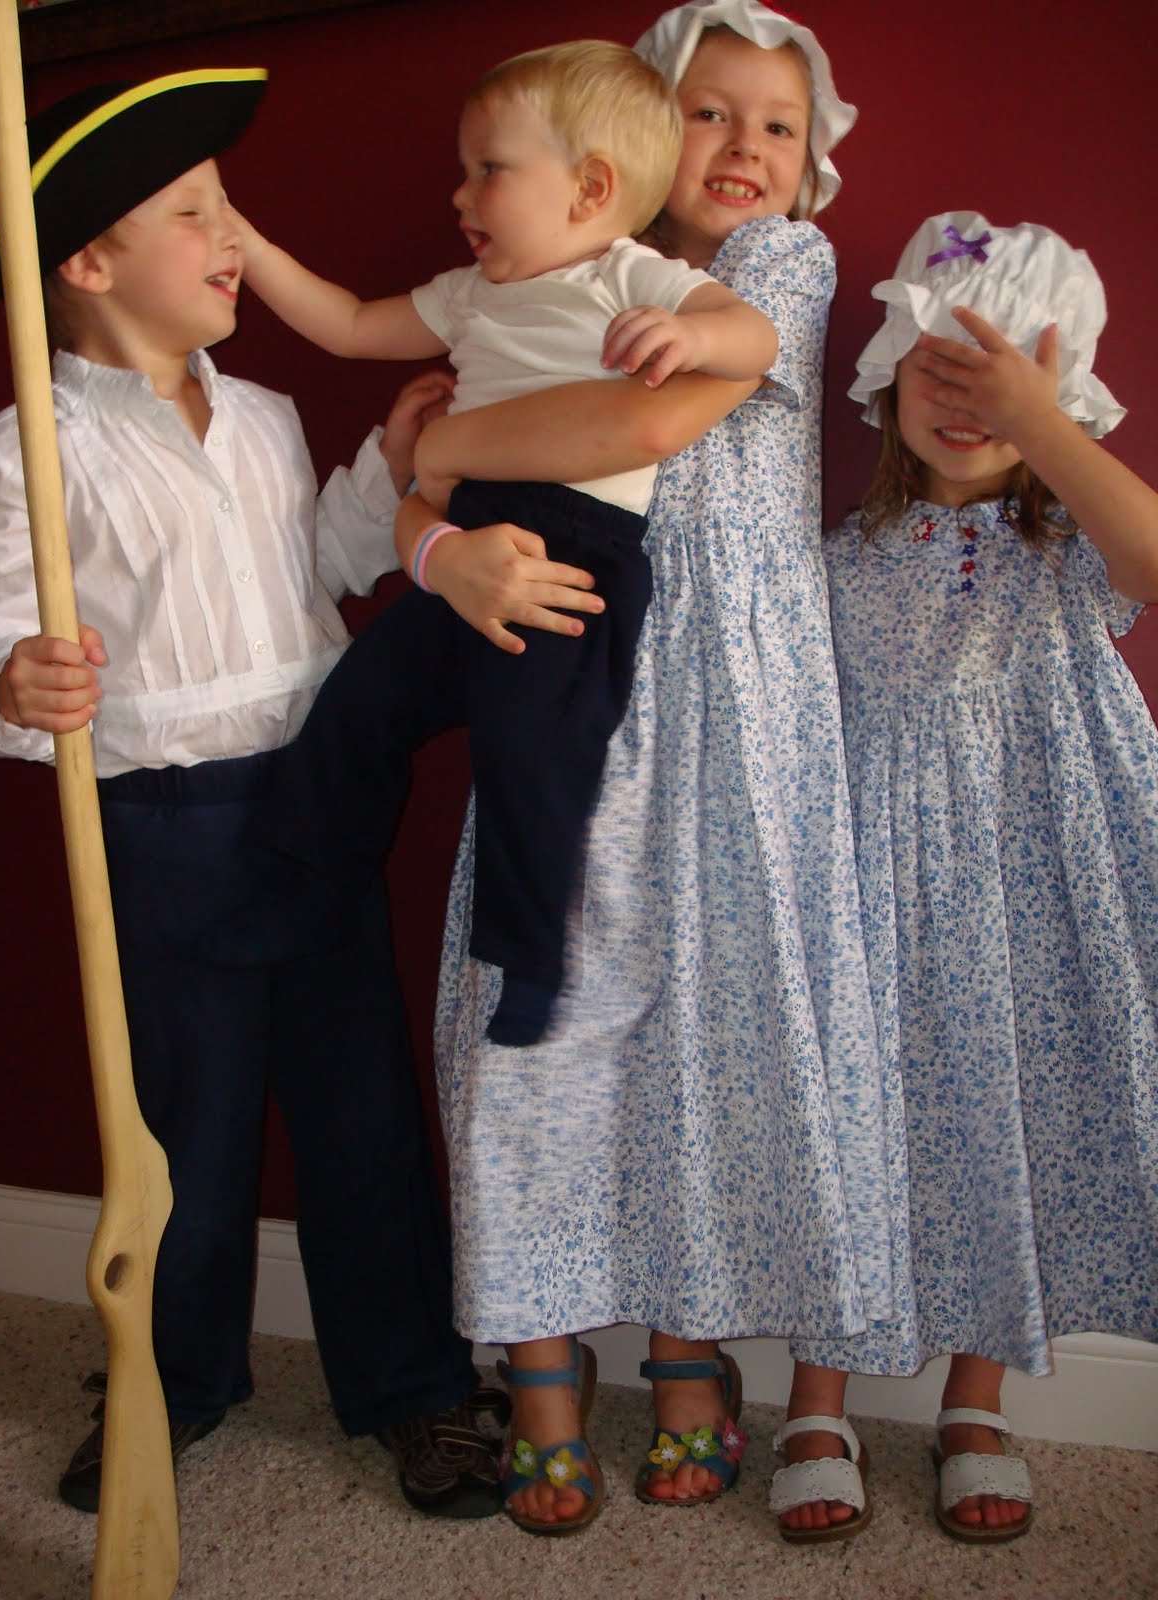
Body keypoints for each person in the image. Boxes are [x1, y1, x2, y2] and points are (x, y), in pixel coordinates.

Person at [0, 68, 603, 1519]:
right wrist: (11, 680)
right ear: (89, 262)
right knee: (181, 1129)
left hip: (313, 803)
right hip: (161, 826)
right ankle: (171, 1377)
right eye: (196, 215)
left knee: (361, 1113)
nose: (233, 238)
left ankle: (412, 1380)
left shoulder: (259, 415)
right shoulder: (21, 459)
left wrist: (381, 477)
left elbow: (313, 569)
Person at [403, 0, 893, 1535]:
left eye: (779, 125)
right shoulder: (529, 274)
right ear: (629, 135)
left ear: (811, 162)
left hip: (740, 717)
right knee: (540, 1007)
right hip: (573, 689)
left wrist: (451, 450)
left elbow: (641, 418)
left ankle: (689, 1350)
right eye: (709, 110)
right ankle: (540, 1359)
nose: (745, 146)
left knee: (710, 1023)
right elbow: (439, 475)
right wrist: (428, 511)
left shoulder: (776, 269)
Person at [230, 39, 779, 1047]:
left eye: (488, 168)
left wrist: (696, 337)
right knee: (355, 705)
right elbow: (347, 325)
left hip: (576, 554)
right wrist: (249, 247)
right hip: (464, 535)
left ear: (590, 189)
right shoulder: (467, 293)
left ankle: (528, 956)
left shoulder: (632, 276)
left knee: (531, 756)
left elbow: (758, 339)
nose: (459, 194)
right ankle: (297, 888)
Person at [775, 211, 1158, 1544]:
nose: (964, 401)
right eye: (940, 367)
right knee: (853, 1126)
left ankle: (976, 1402)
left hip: (1033, 890)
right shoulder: (832, 563)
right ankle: (816, 1400)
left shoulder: (1071, 555)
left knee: (1015, 1116)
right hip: (870, 888)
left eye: (1000, 381)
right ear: (889, 380)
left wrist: (1040, 423)